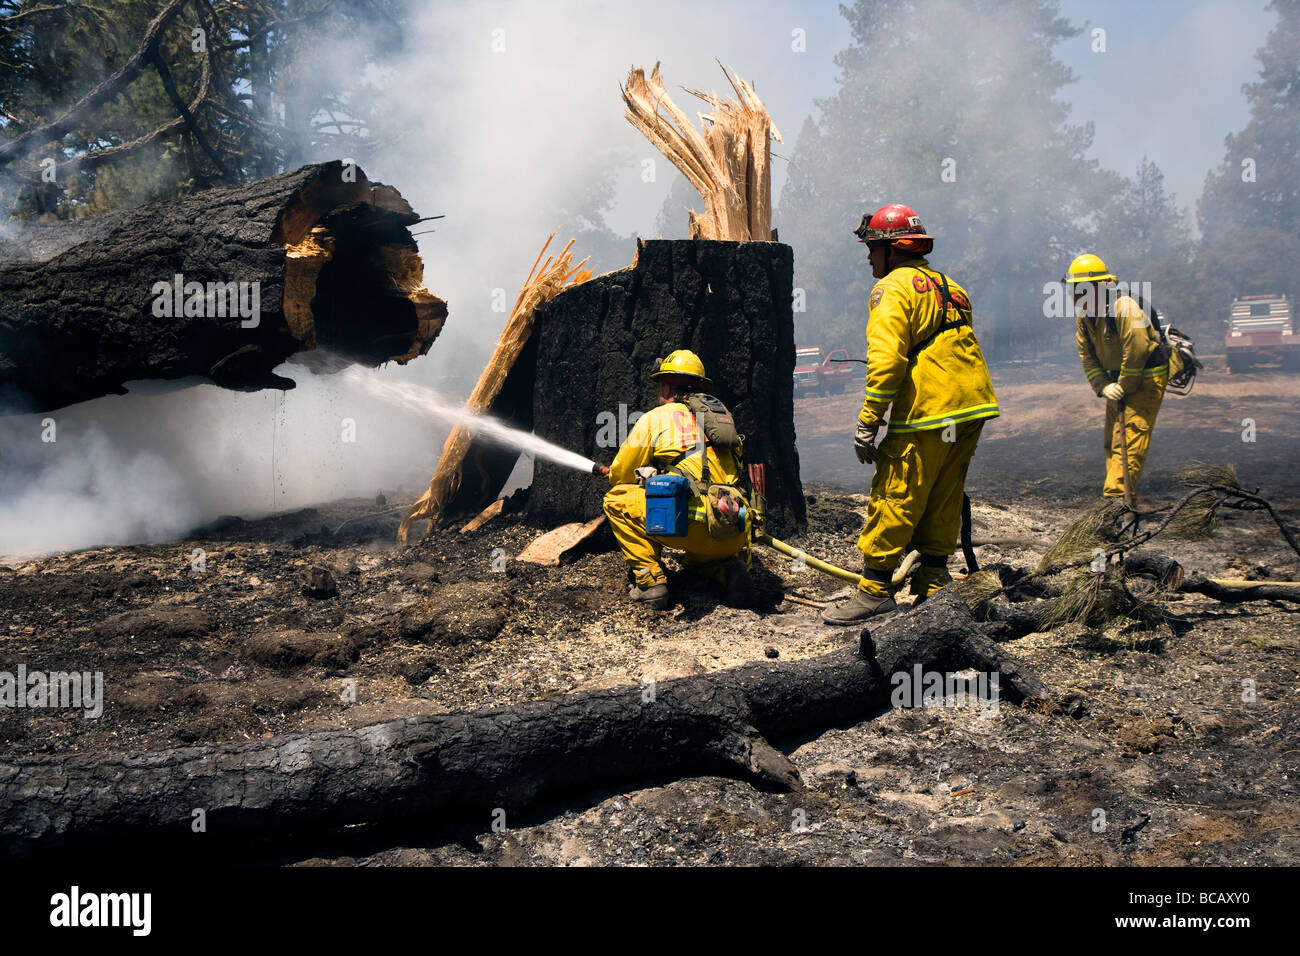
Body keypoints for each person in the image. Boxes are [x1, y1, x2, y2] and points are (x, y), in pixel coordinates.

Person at [822, 203, 999, 625]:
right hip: (971, 405)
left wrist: (869, 420)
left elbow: (887, 361)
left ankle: (875, 591)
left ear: (892, 249)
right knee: (944, 493)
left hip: (928, 410)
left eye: (871, 248)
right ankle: (934, 586)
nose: (868, 257)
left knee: (896, 493)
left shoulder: (892, 290)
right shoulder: (951, 286)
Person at [603, 350, 753, 610]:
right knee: (703, 554)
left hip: (687, 525)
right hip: (731, 529)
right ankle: (727, 570)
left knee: (616, 500)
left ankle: (651, 583)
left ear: (667, 385)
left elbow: (621, 474)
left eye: (660, 383)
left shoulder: (655, 418)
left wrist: (621, 476)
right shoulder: (720, 420)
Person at [1064, 253, 1168, 503]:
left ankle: (1116, 502)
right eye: (1075, 290)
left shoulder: (1124, 307)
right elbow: (1086, 355)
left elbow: (1138, 350)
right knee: (1113, 440)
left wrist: (1123, 385)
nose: (1079, 296)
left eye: (1084, 289)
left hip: (1145, 377)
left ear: (1101, 287)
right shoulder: (1085, 317)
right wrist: (1103, 386)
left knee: (1130, 439)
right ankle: (1116, 496)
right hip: (1117, 382)